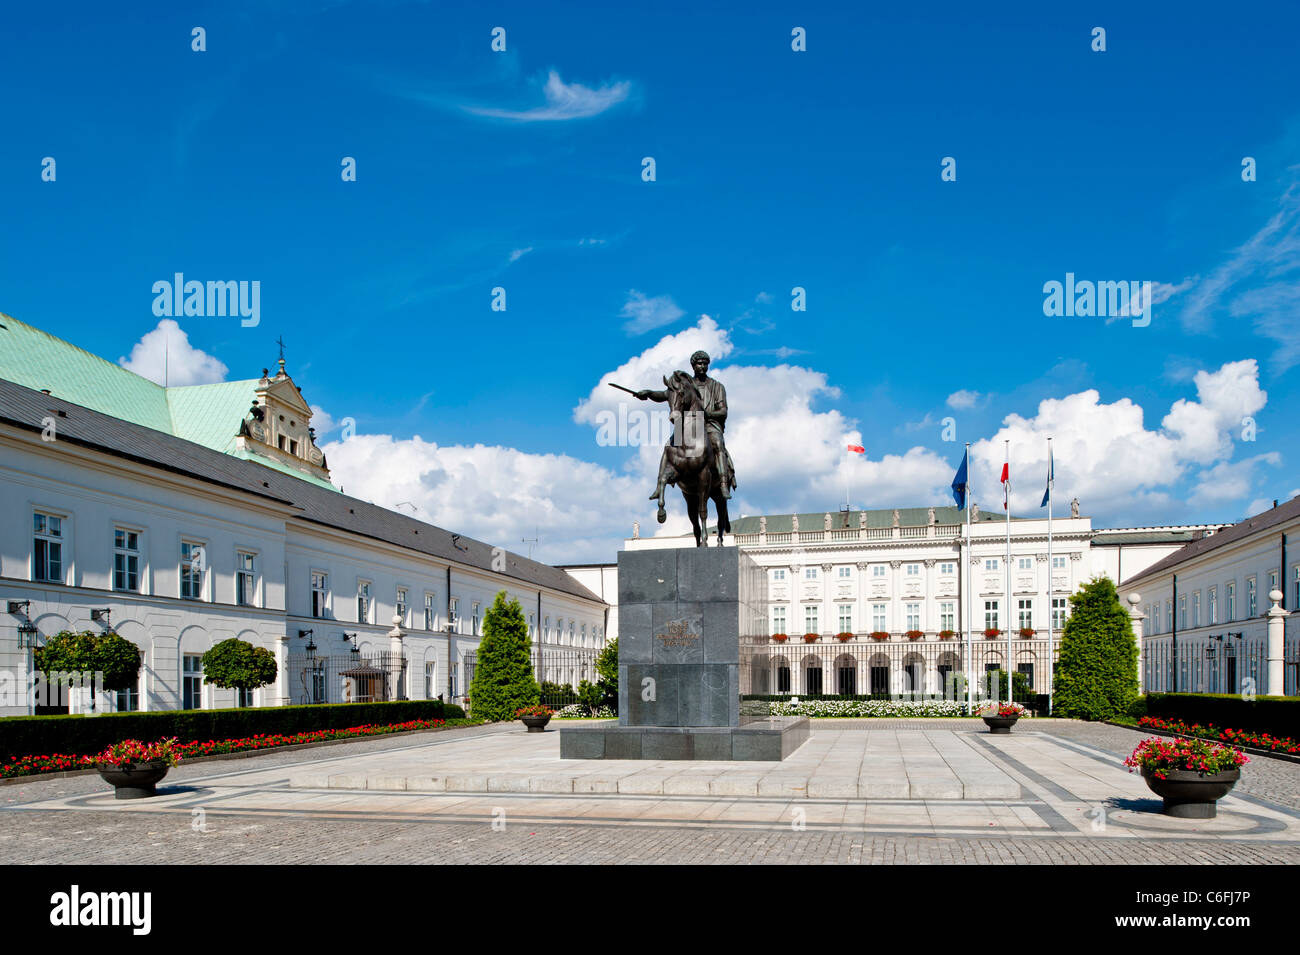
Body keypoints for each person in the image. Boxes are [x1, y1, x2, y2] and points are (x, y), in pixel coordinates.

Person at [635, 350, 735, 501]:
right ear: (693, 366)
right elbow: (664, 395)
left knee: (718, 443)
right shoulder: (685, 385)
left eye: (705, 364)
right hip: (688, 425)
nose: (702, 366)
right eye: (699, 364)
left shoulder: (717, 386)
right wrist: (648, 393)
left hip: (709, 424)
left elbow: (723, 412)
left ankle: (722, 482)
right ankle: (658, 486)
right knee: (669, 445)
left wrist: (707, 414)